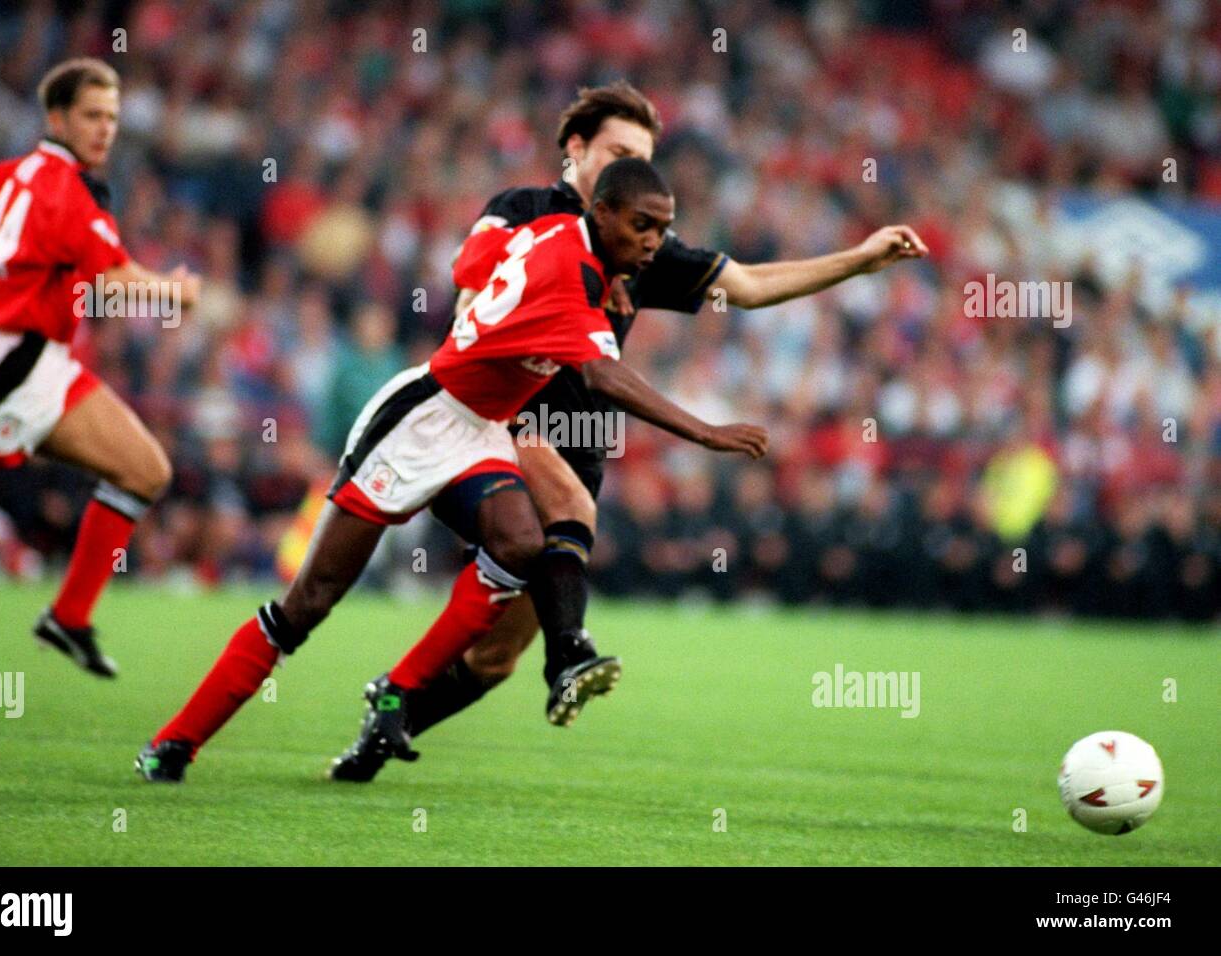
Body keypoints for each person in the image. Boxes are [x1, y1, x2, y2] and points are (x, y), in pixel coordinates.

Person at [333, 81, 927, 782]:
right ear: (578, 151)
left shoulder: (643, 243)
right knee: (569, 520)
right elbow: (471, 302)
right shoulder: (522, 213)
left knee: (495, 658)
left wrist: (861, 258)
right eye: (618, 151)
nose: (630, 169)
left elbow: (751, 286)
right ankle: (572, 653)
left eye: (642, 157)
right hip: (504, 423)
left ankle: (387, 724)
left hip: (581, 442)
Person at [137, 158, 768, 783]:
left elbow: (470, 264)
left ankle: (397, 690)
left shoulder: (558, 239)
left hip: (482, 430)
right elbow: (603, 374)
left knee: (522, 541)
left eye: (664, 227)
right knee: (309, 603)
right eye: (642, 225)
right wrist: (706, 433)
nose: (655, 241)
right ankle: (175, 743)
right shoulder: (569, 271)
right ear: (599, 213)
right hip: (419, 422)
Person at [0, 58, 200, 676]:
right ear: (56, 118)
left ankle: (68, 617)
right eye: (92, 116)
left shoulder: (6, 175)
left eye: (113, 118)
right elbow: (115, 280)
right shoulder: (67, 190)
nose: (105, 129)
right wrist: (175, 291)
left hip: (43, 365)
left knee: (144, 470)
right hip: (8, 370)